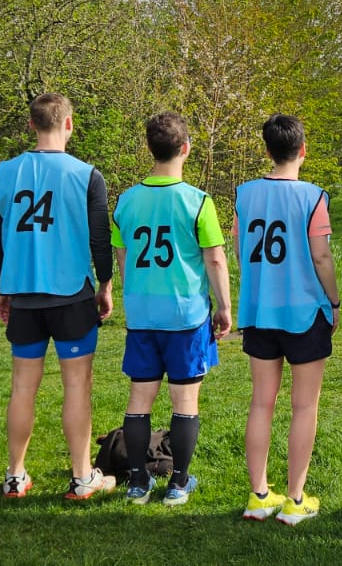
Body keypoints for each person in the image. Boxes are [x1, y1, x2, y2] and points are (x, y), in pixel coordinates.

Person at [0, 92, 116, 500]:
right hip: (71, 294)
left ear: (31, 125)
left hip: (23, 294)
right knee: (77, 386)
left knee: (23, 387)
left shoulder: (4, 172)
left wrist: (2, 284)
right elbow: (100, 238)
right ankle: (81, 477)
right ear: (69, 124)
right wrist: (105, 284)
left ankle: (15, 474)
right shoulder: (86, 174)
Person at [110, 112, 232, 506]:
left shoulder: (127, 200)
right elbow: (214, 260)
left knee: (139, 399)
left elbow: (123, 255)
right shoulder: (197, 201)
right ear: (186, 149)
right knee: (184, 401)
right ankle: (178, 483)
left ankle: (137, 482)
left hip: (143, 313)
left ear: (150, 149)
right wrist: (226, 308)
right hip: (185, 315)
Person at [235, 114, 341, 525]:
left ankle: (260, 495)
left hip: (261, 310)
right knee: (304, 407)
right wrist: (333, 300)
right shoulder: (313, 196)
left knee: (261, 403)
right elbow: (321, 256)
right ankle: (295, 499)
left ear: (267, 150)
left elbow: (243, 246)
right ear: (303, 150)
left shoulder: (245, 194)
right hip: (303, 312)